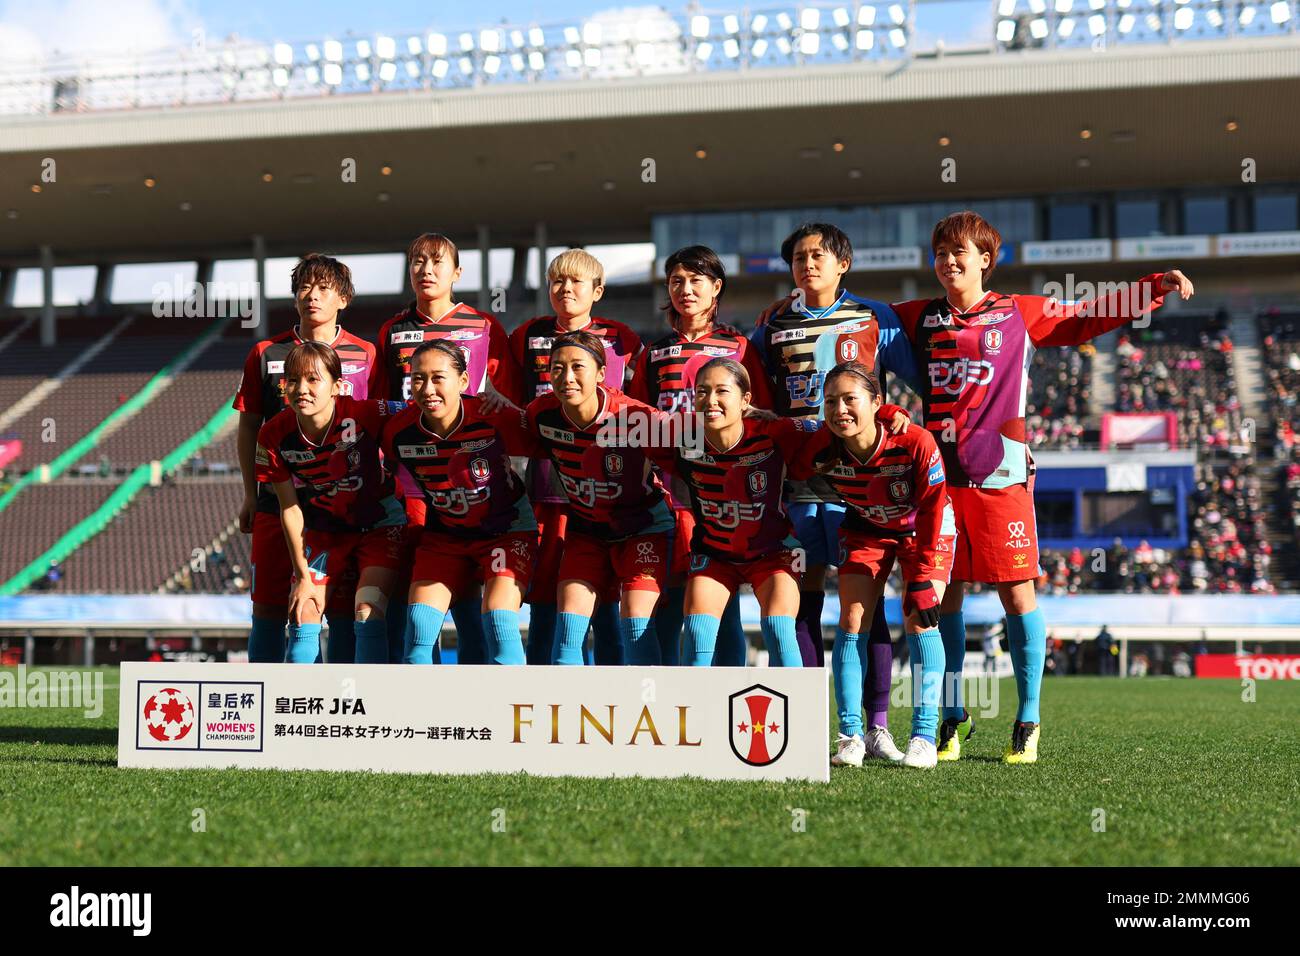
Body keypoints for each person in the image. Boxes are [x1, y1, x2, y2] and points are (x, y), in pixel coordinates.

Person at [887, 210, 1193, 763]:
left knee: (1016, 593)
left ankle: (1027, 719)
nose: (949, 261)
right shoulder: (915, 318)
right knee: (944, 596)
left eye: (960, 252)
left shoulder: (1018, 312)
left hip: (1001, 476)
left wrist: (1152, 287)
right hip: (935, 481)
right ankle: (952, 717)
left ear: (986, 259)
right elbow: (859, 327)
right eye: (940, 252)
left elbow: (1083, 318)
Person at [750, 222, 923, 732]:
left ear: (842, 262)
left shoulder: (874, 317)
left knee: (862, 609)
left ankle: (874, 726)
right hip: (798, 486)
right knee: (803, 598)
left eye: (818, 255)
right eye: (799, 257)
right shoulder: (772, 326)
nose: (807, 264)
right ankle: (806, 726)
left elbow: (920, 382)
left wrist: (898, 420)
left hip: (860, 485)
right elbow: (755, 398)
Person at [373, 233, 522, 665]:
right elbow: (382, 405)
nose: (426, 269)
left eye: (437, 262)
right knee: (416, 593)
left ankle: (477, 696)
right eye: (417, 261)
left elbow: (507, 403)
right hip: (413, 475)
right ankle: (421, 695)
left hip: (473, 476)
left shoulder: (484, 327)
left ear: (457, 273)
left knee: (471, 594)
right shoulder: (392, 329)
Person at [798, 362, 955, 768]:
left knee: (921, 619)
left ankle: (923, 736)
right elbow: (779, 433)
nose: (839, 410)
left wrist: (920, 576)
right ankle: (850, 736)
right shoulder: (820, 449)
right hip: (866, 529)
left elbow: (934, 509)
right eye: (830, 401)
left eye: (850, 399)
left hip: (924, 531)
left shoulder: (915, 442)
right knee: (852, 620)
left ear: (876, 403)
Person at [628, 245, 772, 666]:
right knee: (670, 601)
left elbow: (760, 416)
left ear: (716, 288)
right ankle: (672, 705)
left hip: (723, 494)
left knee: (718, 604)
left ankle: (725, 701)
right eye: (676, 281)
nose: (685, 290)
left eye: (695, 281)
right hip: (668, 493)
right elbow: (638, 421)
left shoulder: (739, 348)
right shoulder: (654, 354)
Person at [233, 254, 376, 664]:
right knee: (269, 607)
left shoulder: (367, 354)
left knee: (342, 610)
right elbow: (250, 427)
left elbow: (378, 427)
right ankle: (264, 704)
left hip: (344, 507)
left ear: (343, 299)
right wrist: (248, 493)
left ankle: (343, 707)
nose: (312, 296)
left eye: (323, 288)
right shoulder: (265, 352)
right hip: (276, 501)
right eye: (304, 288)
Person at [509, 249, 642, 666]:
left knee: (604, 596)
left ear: (597, 291)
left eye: (576, 282)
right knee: (546, 590)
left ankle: (611, 692)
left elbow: (638, 405)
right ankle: (541, 689)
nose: (565, 290)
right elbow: (512, 404)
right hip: (548, 481)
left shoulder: (624, 339)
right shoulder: (527, 334)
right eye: (557, 282)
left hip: (609, 483)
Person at [521, 331, 674, 665]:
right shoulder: (541, 414)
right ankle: (565, 716)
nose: (566, 377)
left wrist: (749, 416)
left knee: (635, 625)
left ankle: (649, 712)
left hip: (642, 531)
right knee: (567, 639)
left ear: (602, 373)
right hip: (586, 534)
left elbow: (699, 438)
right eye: (557, 368)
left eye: (578, 367)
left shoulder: (636, 417)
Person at [380, 341, 537, 665]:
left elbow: (543, 442)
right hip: (445, 537)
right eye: (418, 378)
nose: (427, 388)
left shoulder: (494, 416)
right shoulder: (398, 432)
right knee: (419, 629)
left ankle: (509, 711)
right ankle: (423, 716)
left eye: (438, 377)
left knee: (498, 618)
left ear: (464, 381)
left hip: (505, 532)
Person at [255, 341, 406, 663]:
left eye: (313, 379)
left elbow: (419, 410)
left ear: (338, 386)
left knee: (368, 609)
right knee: (303, 611)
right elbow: (290, 508)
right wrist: (302, 576)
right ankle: (298, 707)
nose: (301, 389)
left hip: (379, 525)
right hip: (324, 529)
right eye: (293, 380)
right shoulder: (272, 434)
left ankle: (373, 704)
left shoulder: (365, 412)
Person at [660, 358, 810, 668]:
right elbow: (625, 422)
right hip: (715, 554)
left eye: (721, 391)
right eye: (701, 391)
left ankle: (796, 715)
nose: (710, 400)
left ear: (745, 400)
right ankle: (693, 716)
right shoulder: (680, 435)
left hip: (774, 552)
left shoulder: (777, 432)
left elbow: (838, 426)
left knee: (779, 629)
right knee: (698, 633)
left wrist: (890, 412)